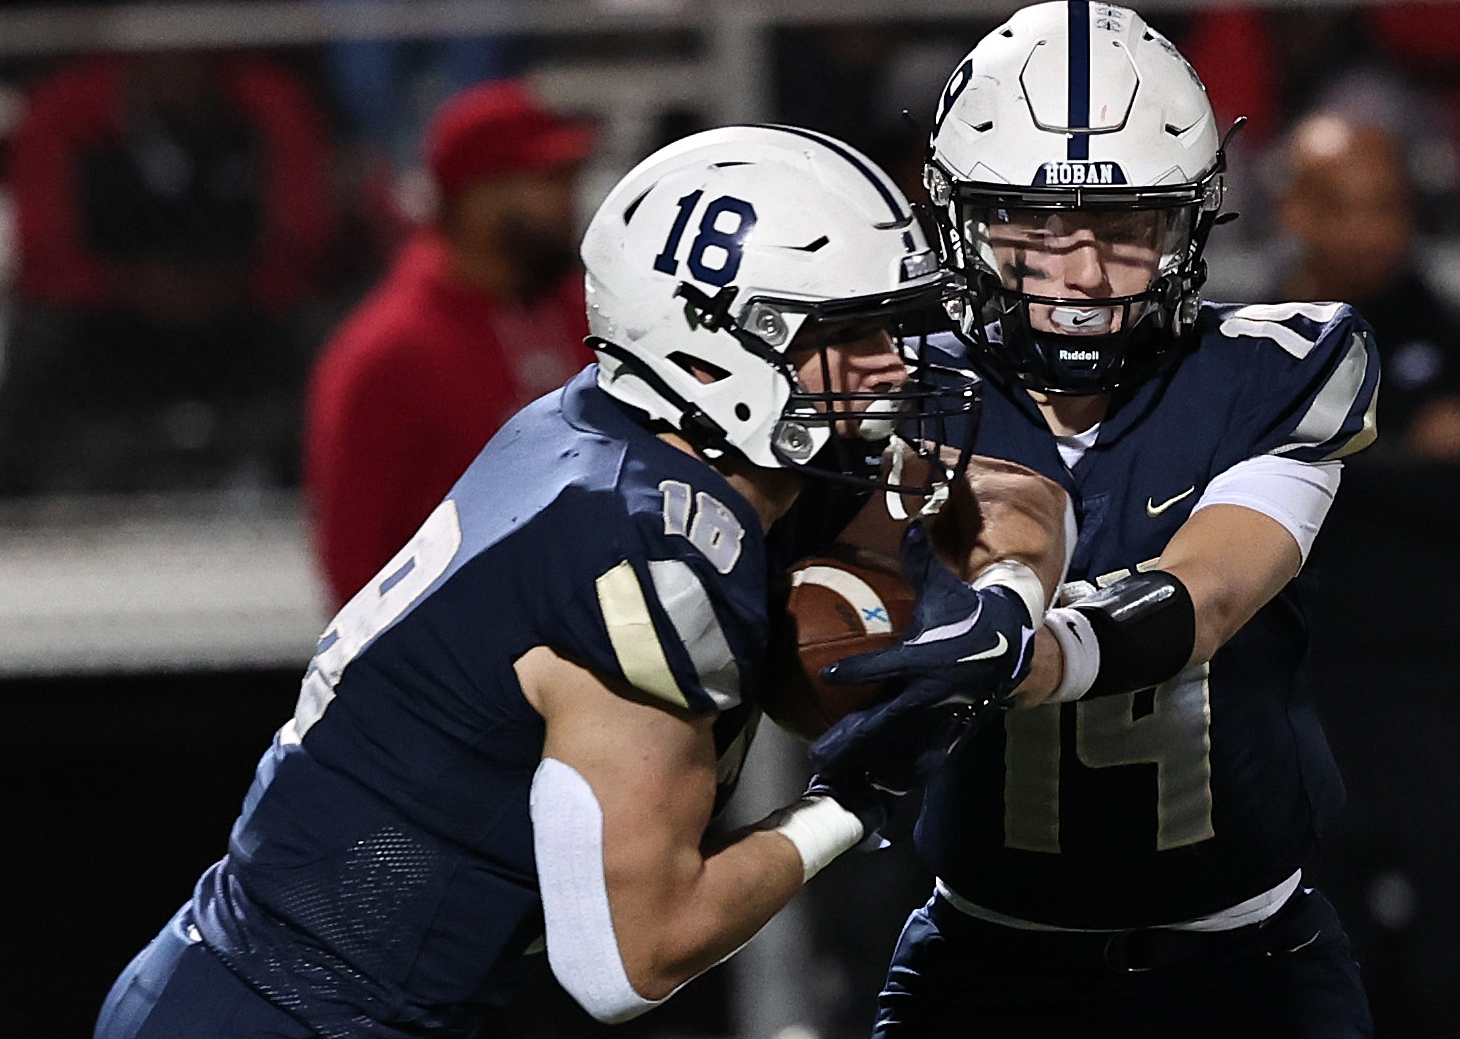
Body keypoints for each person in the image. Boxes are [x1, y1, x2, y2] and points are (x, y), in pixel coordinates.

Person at [93, 124, 1071, 1039]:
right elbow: (629, 960)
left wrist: (1003, 611)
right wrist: (857, 795)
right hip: (286, 1013)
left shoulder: (650, 432)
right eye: (848, 336)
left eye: (892, 328)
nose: (892, 367)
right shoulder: (643, 549)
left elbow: (1018, 496)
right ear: (713, 347)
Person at [822, 0, 1382, 1037]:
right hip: (982, 961)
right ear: (958, 219)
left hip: (1243, 966)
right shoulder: (894, 388)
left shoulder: (1274, 368)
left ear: (1191, 222)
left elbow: (1211, 592)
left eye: (1126, 226)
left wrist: (1023, 655)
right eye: (1036, 226)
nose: (1082, 272)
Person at [1277, 113, 1460, 1039]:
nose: (1366, 230)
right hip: (1299, 704)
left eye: (1384, 207)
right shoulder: (1244, 348)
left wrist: (1320, 458)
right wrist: (1401, 454)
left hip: (1445, 699)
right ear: (1294, 211)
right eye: (1340, 206)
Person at [0, 40, 333, 495]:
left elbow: (304, 237)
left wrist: (225, 285)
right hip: (111, 321)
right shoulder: (70, 114)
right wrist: (129, 286)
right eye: (160, 52)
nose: (175, 66)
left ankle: (315, 485)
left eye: (189, 52)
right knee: (37, 340)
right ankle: (13, 505)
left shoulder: (264, 109)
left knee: (323, 336)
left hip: (238, 315)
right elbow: (43, 251)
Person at [305, 80, 596, 605]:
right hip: (467, 645)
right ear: (476, 195)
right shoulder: (390, 350)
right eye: (547, 180)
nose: (568, 201)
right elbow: (353, 562)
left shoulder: (584, 310)